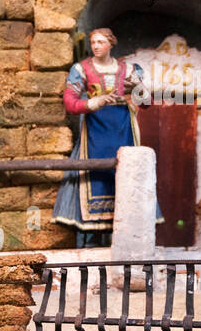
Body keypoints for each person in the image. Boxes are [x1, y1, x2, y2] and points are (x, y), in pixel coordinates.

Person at [52, 28, 147, 247]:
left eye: (101, 42)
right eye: (93, 42)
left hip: (122, 127)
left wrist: (139, 89)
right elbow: (70, 103)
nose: (96, 46)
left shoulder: (130, 70)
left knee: (125, 176)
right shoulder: (82, 69)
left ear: (111, 44)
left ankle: (127, 241)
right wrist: (96, 102)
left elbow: (147, 102)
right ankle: (91, 240)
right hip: (96, 128)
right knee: (94, 177)